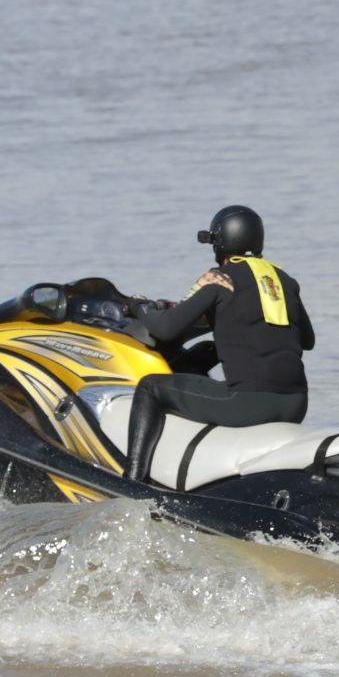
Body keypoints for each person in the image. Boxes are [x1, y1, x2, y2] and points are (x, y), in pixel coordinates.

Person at [122, 205, 315, 486]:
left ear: (220, 243)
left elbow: (165, 329)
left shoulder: (220, 280)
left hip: (249, 404)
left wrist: (138, 307)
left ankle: (132, 482)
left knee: (150, 388)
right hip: (296, 404)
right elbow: (307, 340)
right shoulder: (282, 281)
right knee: (208, 352)